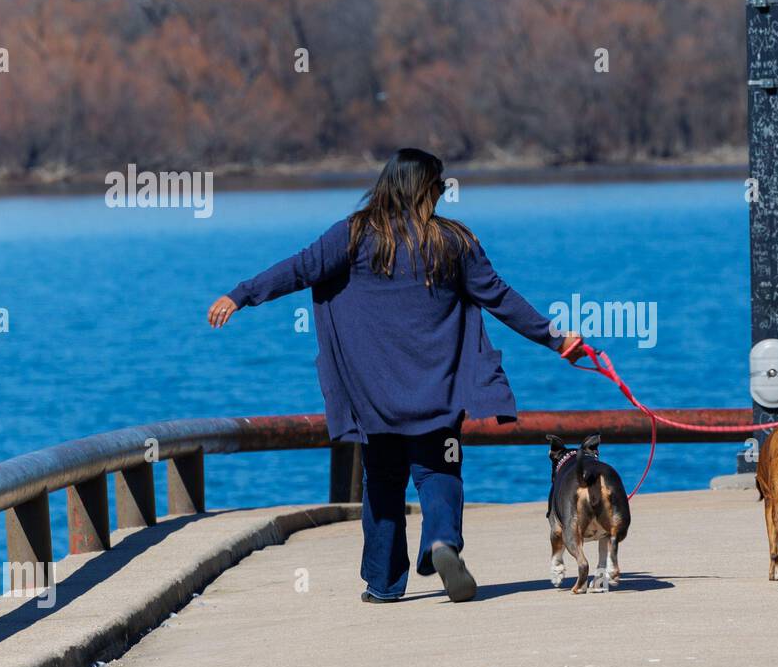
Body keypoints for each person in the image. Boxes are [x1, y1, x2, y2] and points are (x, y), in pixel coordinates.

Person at [207, 148, 582, 603]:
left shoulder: (354, 234)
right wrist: (556, 338)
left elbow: (300, 269)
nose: (443, 192)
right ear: (425, 189)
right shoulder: (454, 241)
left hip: (375, 396)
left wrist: (241, 295)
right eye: (439, 185)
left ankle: (384, 584)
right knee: (440, 471)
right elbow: (499, 297)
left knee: (383, 482)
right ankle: (442, 543)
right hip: (437, 392)